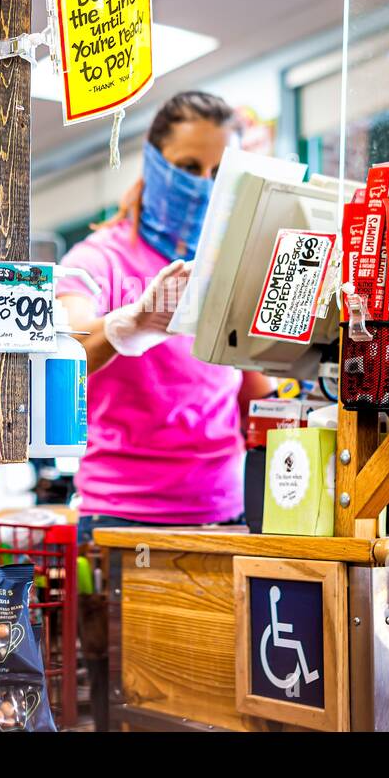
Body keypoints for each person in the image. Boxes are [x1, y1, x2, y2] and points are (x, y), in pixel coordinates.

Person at [56, 91, 272, 544]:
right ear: (154, 163)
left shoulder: (226, 266)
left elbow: (253, 392)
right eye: (189, 167)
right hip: (122, 516)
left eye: (218, 173)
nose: (203, 184)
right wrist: (127, 325)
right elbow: (65, 353)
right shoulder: (99, 260)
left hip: (224, 511)